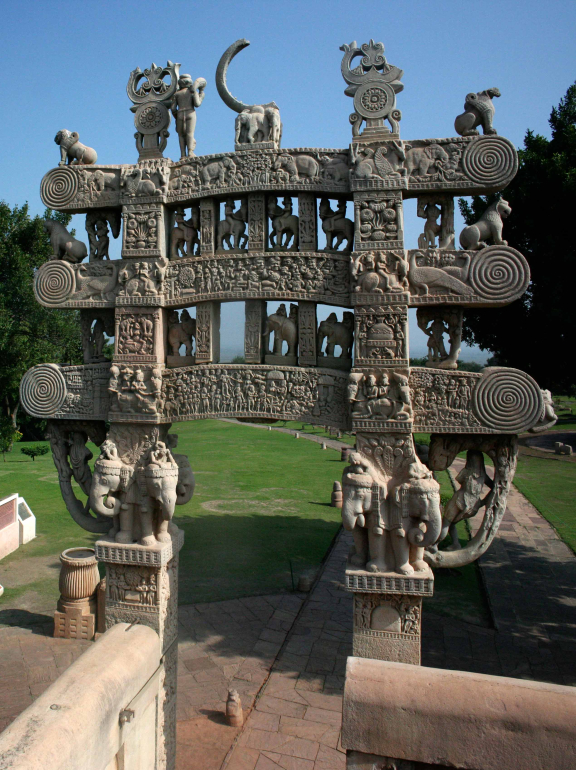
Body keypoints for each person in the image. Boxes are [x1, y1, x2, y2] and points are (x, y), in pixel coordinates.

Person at [171, 74, 206, 159]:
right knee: (190, 133)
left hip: (180, 113)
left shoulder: (177, 94)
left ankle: (183, 154)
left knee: (181, 135)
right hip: (190, 112)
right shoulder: (192, 92)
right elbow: (197, 104)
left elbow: (173, 108)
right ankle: (190, 152)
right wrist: (201, 95)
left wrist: (176, 116)